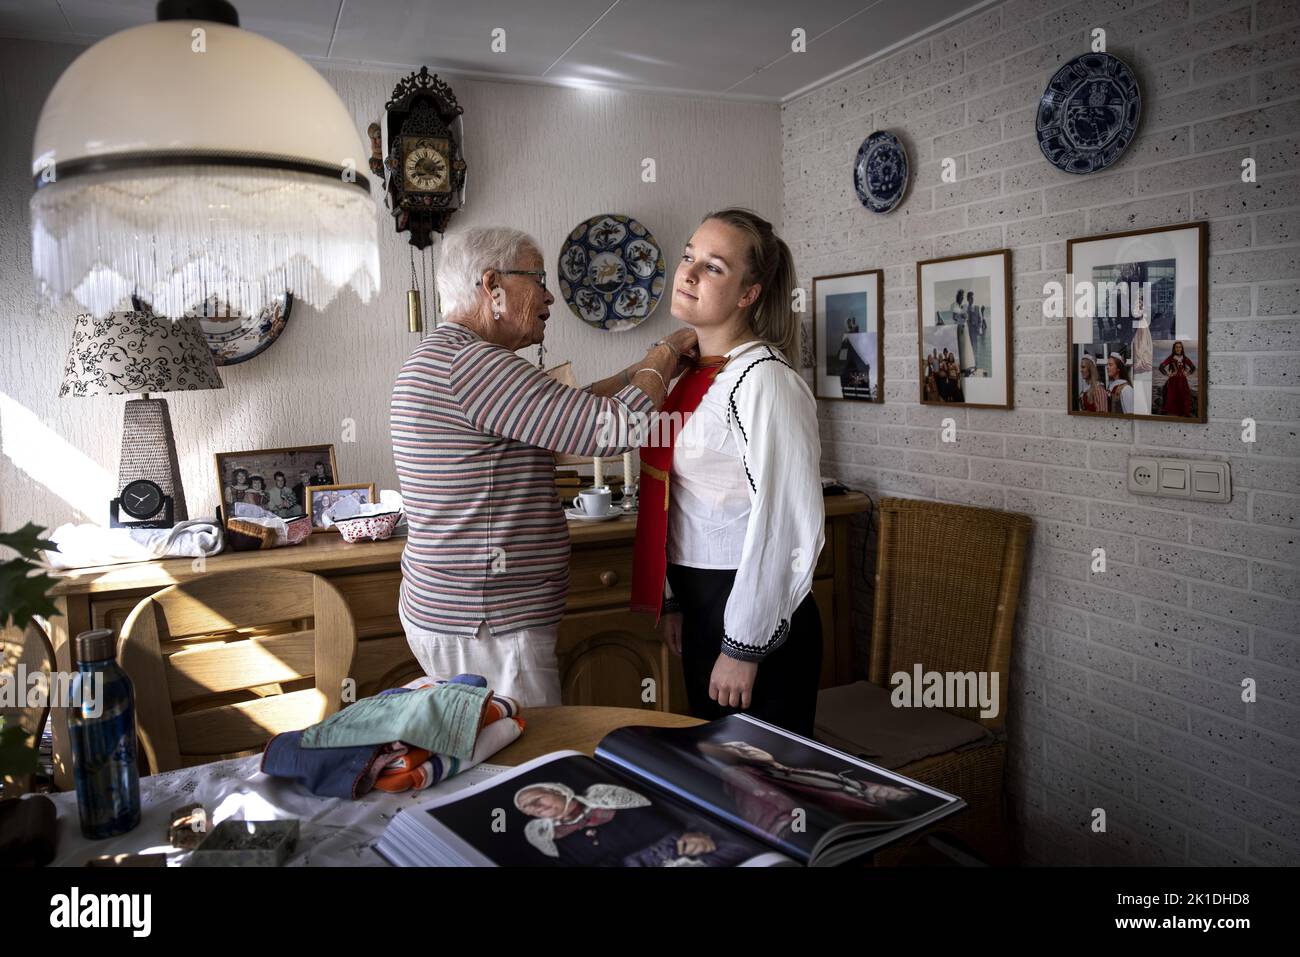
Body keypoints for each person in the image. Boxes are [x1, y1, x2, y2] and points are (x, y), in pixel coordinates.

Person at [391, 227, 696, 707]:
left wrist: (645, 368)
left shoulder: (445, 357)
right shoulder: (477, 365)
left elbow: (565, 409)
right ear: (492, 286)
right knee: (523, 763)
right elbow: (618, 429)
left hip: (458, 614)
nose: (550, 295)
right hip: (490, 625)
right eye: (537, 278)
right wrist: (666, 351)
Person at [631, 208, 825, 737]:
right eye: (690, 257)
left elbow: (784, 522)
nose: (689, 273)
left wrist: (744, 646)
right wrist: (673, 599)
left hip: (750, 612)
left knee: (760, 794)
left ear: (748, 294)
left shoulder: (765, 381)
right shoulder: (690, 375)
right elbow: (678, 496)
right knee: (716, 781)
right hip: (701, 604)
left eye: (714, 267)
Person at [1158, 340, 1195, 416]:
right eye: (1176, 347)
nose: (1178, 349)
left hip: (1183, 381)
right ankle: (1173, 413)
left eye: (1180, 347)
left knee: (1185, 396)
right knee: (1172, 396)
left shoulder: (1185, 358)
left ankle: (1184, 413)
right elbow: (1161, 367)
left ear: (1182, 348)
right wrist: (1168, 374)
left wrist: (1187, 374)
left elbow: (1193, 367)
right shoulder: (1171, 358)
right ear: (1174, 349)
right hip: (1173, 381)